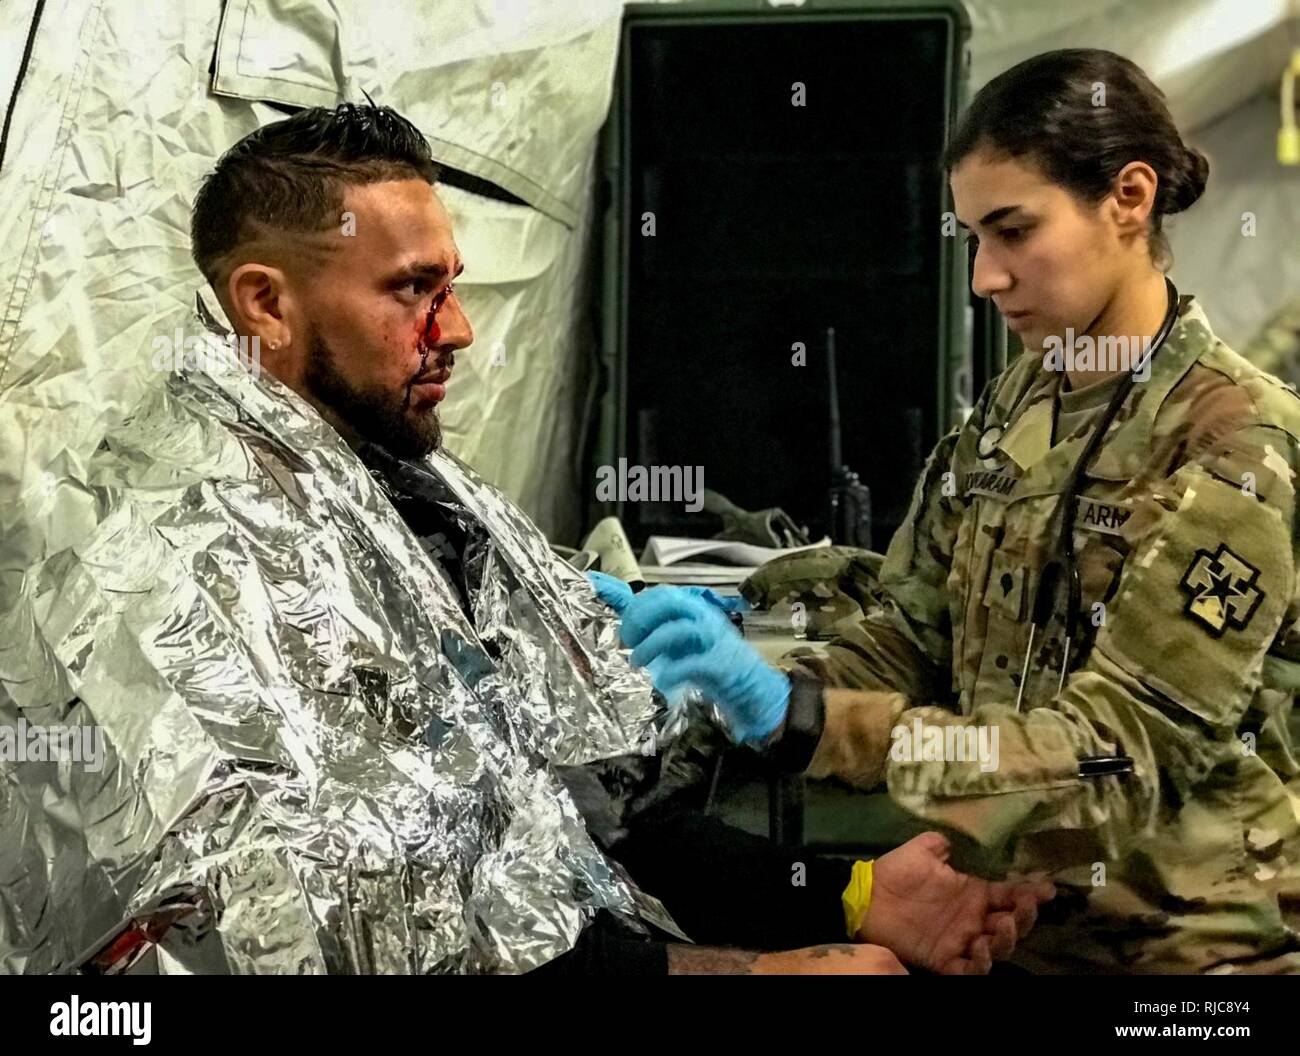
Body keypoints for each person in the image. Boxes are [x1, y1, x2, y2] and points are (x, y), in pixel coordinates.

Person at [183, 102, 1049, 975]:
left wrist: (847, 894)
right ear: (267, 303)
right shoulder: (214, 562)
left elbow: (580, 830)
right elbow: (401, 946)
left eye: (451, 287)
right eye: (413, 289)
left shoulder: (404, 496)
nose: (457, 329)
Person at [597, 49, 1300, 974]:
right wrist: (725, 693)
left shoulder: (1237, 442)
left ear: (1129, 199)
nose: (984, 279)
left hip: (1189, 962)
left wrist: (806, 720)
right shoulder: (1020, 405)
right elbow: (914, 628)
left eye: (1013, 231)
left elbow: (1113, 757)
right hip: (1009, 930)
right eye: (972, 238)